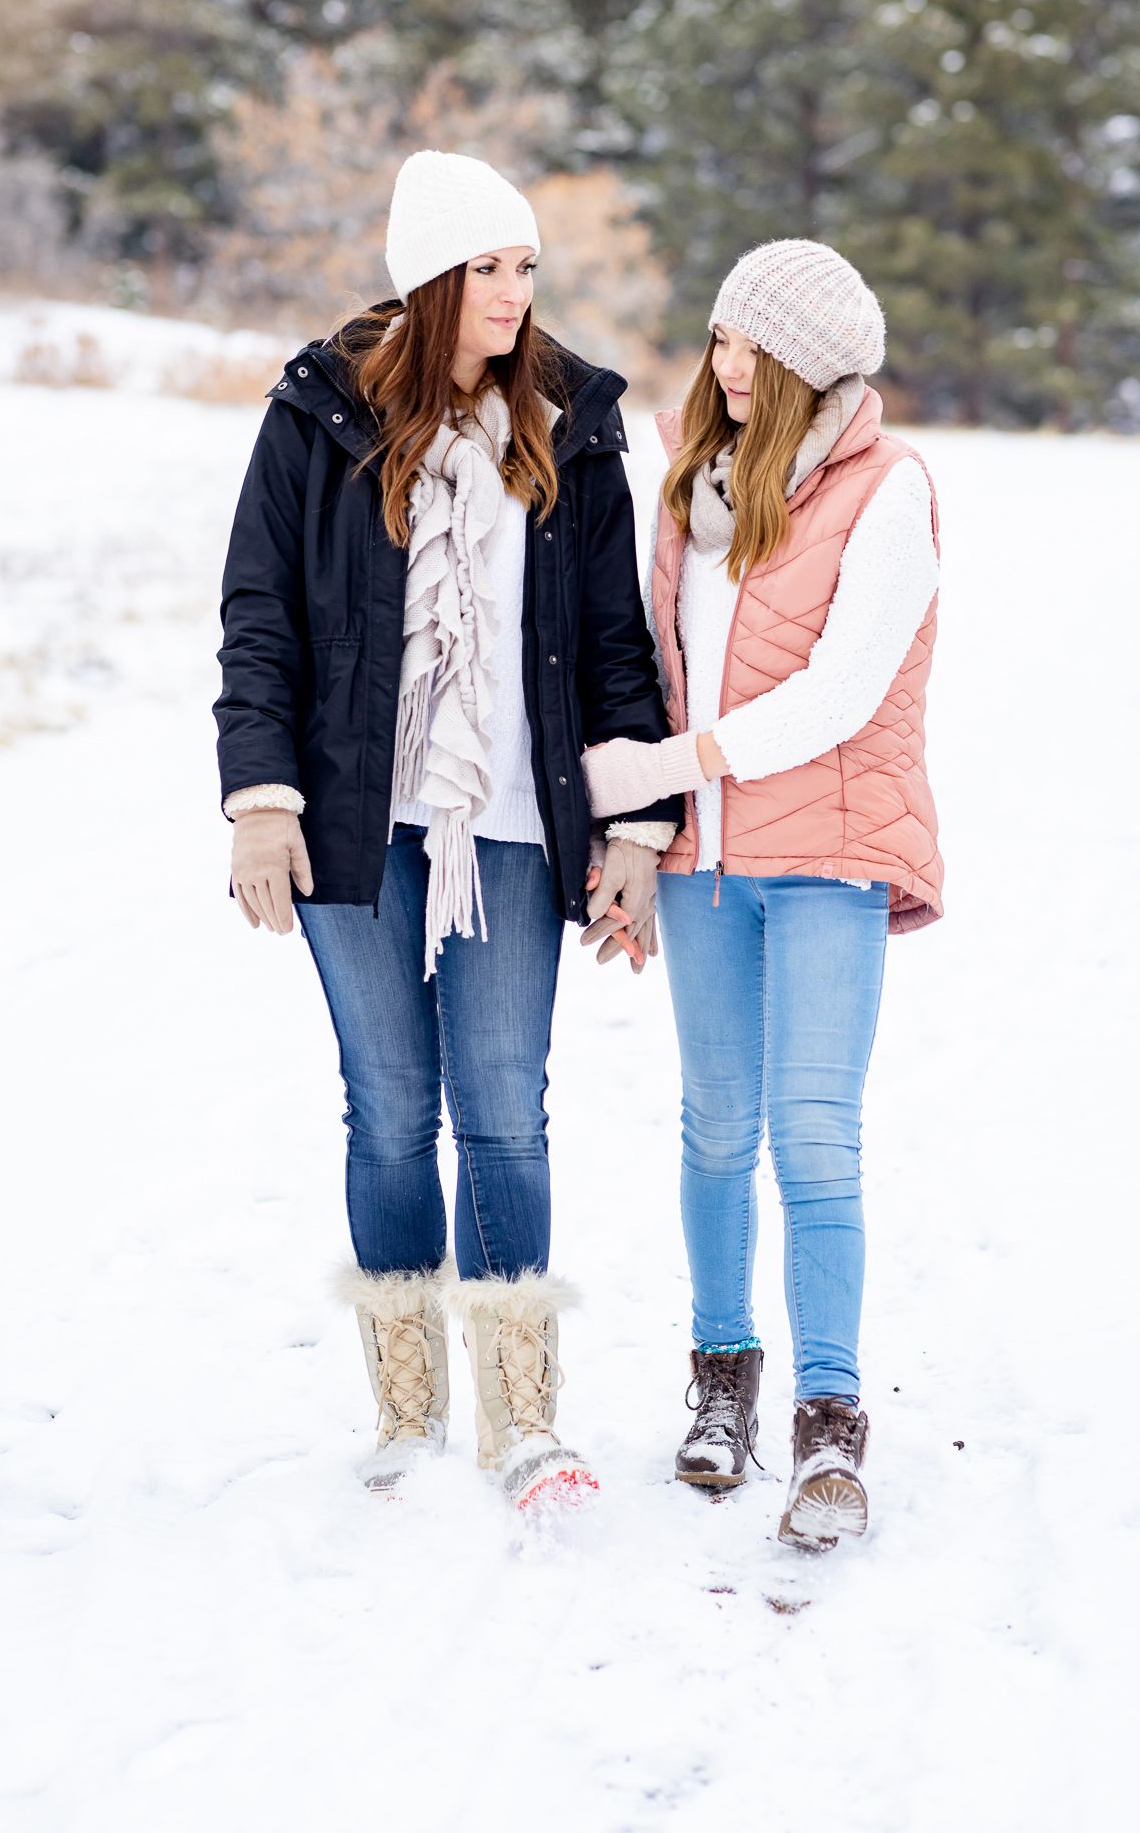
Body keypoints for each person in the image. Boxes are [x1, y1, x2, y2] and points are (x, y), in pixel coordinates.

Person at [213, 150, 678, 1506]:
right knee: (388, 1111)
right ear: (426, 278)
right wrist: (259, 800)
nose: (512, 292)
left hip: (520, 829)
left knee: (504, 1115)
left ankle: (524, 1420)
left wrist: (635, 830)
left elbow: (613, 647)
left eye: (526, 266)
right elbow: (261, 620)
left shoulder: (573, 424)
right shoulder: (320, 415)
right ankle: (408, 1417)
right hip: (357, 823)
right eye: (486, 267)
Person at [582, 239, 943, 1549]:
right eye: (720, 340)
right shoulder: (690, 490)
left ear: (807, 366)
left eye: (750, 349)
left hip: (829, 858)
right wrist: (630, 837)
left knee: (812, 1136)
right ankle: (720, 1385)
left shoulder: (889, 489)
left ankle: (830, 1419)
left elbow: (841, 691)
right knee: (713, 1127)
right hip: (705, 868)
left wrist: (671, 764)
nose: (723, 366)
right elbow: (652, 671)